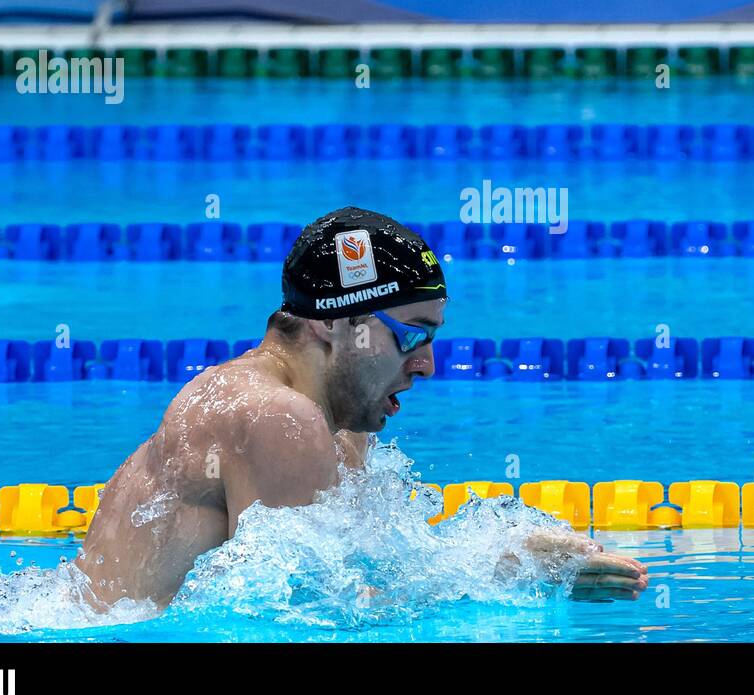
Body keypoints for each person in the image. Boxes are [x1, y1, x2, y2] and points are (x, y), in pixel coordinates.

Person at [77, 207, 648, 609]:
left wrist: (503, 557)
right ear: (334, 324)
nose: (426, 365)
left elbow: (355, 580)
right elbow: (305, 621)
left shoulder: (336, 422)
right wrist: (517, 574)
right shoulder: (276, 416)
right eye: (411, 335)